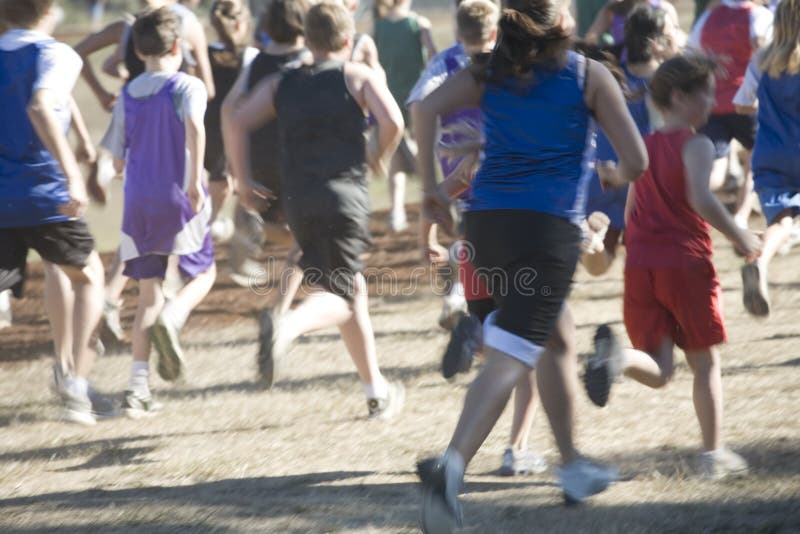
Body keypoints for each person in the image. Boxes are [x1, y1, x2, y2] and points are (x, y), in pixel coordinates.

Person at [413, 0, 649, 527]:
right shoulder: (587, 75)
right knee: (513, 355)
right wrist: (606, 172)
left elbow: (424, 110)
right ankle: (451, 467)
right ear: (561, 20)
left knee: (557, 338)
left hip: (485, 229)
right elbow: (637, 162)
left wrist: (430, 189)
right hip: (546, 231)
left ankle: (571, 468)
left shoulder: (489, 70)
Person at [224, 0, 406, 418]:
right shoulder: (357, 75)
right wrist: (378, 155)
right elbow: (394, 121)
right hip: (344, 197)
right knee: (341, 294)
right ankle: (285, 328)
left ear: (306, 38)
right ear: (348, 39)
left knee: (352, 288)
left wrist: (243, 177)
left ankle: (375, 391)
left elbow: (236, 120)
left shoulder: (282, 83)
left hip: (298, 201)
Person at [583, 53, 762, 480]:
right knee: (705, 364)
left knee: (660, 369)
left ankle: (616, 360)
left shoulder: (641, 148)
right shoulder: (697, 144)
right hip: (685, 264)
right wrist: (740, 235)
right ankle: (713, 454)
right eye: (706, 95)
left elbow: (629, 208)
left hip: (642, 266)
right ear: (680, 97)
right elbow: (701, 199)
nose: (713, 103)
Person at [101, 6, 217, 417]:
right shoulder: (187, 86)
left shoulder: (128, 94)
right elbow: (197, 128)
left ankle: (137, 390)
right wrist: (193, 185)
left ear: (138, 49)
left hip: (138, 203)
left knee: (147, 292)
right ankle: (176, 313)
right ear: (178, 45)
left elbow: (114, 160)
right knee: (204, 272)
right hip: (180, 197)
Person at [0, 0, 106, 425]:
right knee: (89, 277)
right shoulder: (56, 53)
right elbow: (43, 104)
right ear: (50, 10)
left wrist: (81, 135)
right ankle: (74, 384)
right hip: (45, 194)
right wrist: (73, 175)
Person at [222, 0, 311, 299]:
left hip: (260, 160)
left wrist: (236, 167)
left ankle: (255, 227)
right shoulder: (307, 60)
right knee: (308, 239)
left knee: (288, 231)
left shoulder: (256, 62)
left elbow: (227, 109)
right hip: (297, 162)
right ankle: (280, 309)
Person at [581, 4, 672, 275]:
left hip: (601, 176)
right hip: (640, 181)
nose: (678, 37)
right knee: (649, 258)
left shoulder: (610, 74)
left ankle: (595, 246)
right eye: (673, 32)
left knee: (601, 262)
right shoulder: (660, 84)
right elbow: (659, 139)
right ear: (657, 44)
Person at [688, 0, 773, 229]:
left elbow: (692, 52)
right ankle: (741, 215)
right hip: (747, 102)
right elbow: (765, 51)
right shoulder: (758, 15)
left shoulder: (709, 17)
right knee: (755, 158)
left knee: (714, 170)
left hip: (713, 104)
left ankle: (685, 202)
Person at [740, 0, 800, 316]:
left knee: (782, 219)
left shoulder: (762, 60)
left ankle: (760, 263)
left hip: (770, 154)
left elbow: (741, 104)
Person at [374, 0, 437, 233]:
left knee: (395, 157)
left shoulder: (379, 25)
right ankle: (428, 199)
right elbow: (432, 56)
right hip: (415, 96)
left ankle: (397, 211)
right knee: (418, 150)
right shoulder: (418, 23)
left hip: (387, 98)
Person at [204, 0, 259, 240]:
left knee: (219, 181)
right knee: (224, 184)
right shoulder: (250, 56)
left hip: (204, 126)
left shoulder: (203, 52)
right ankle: (208, 226)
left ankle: (211, 223)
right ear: (240, 23)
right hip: (233, 129)